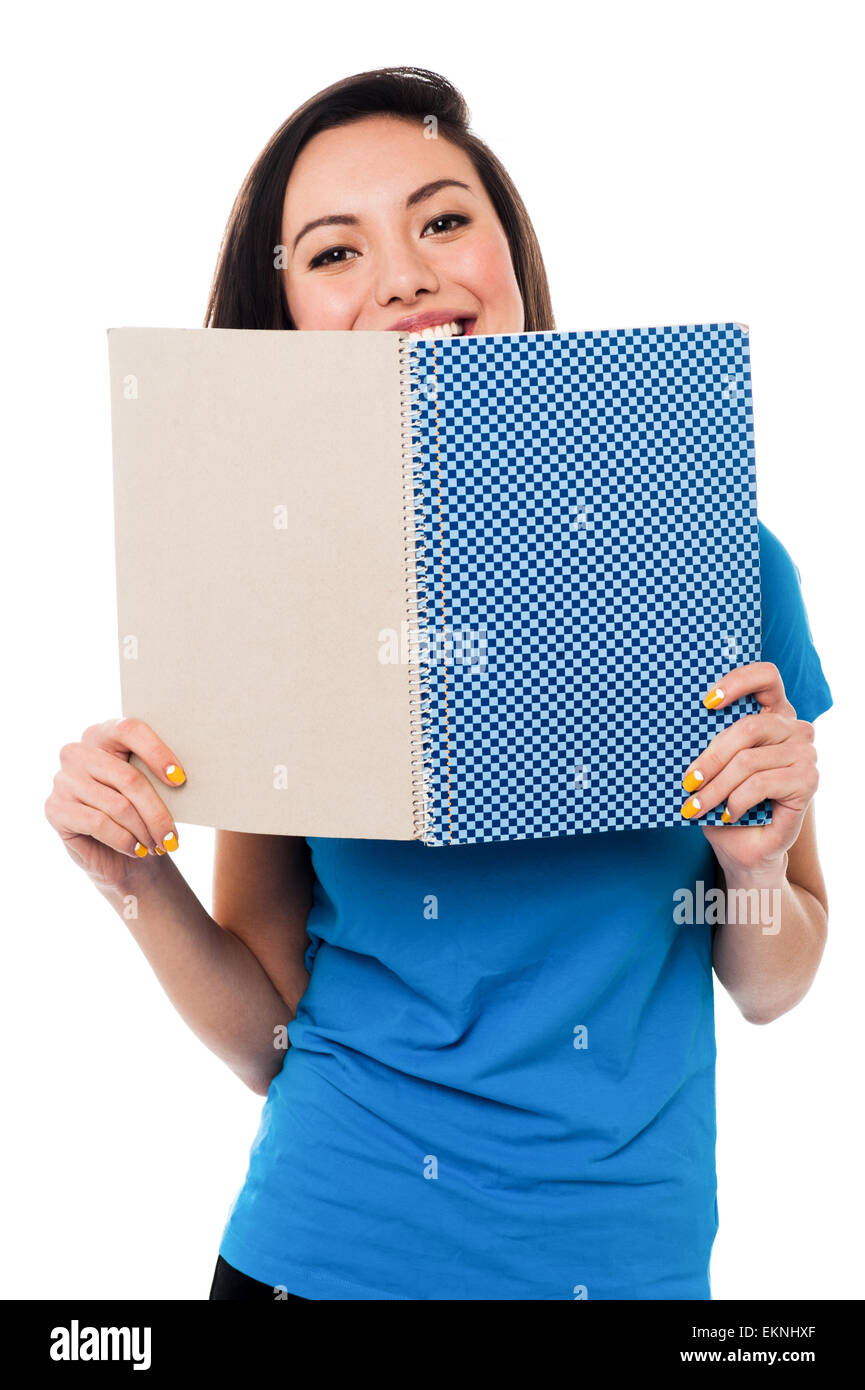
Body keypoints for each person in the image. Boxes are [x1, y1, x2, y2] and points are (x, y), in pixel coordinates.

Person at [45, 66, 833, 1301]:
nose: (405, 276)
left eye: (443, 220)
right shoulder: (275, 588)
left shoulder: (713, 550)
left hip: (628, 1270)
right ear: (287, 315)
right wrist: (130, 878)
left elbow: (774, 983)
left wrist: (748, 865)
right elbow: (269, 1037)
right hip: (322, 1256)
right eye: (334, 252)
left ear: (510, 257)